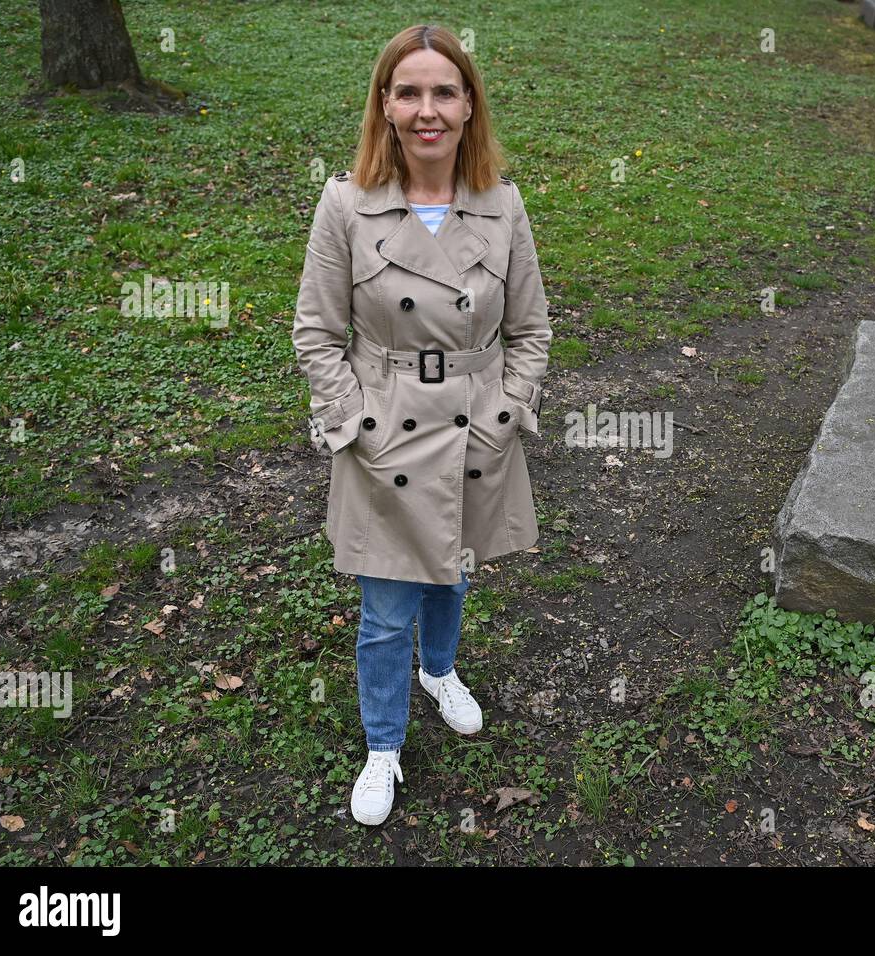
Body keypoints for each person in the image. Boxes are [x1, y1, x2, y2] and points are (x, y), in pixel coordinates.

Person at [291, 23, 551, 826]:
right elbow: (314, 331)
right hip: (386, 429)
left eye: (445, 91)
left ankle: (439, 672)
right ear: (386, 105)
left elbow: (533, 330)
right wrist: (355, 424)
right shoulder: (346, 203)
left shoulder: (502, 205)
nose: (427, 109)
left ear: (469, 105)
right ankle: (381, 743)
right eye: (409, 92)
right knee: (384, 607)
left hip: (476, 426)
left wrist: (504, 414)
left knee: (454, 566)